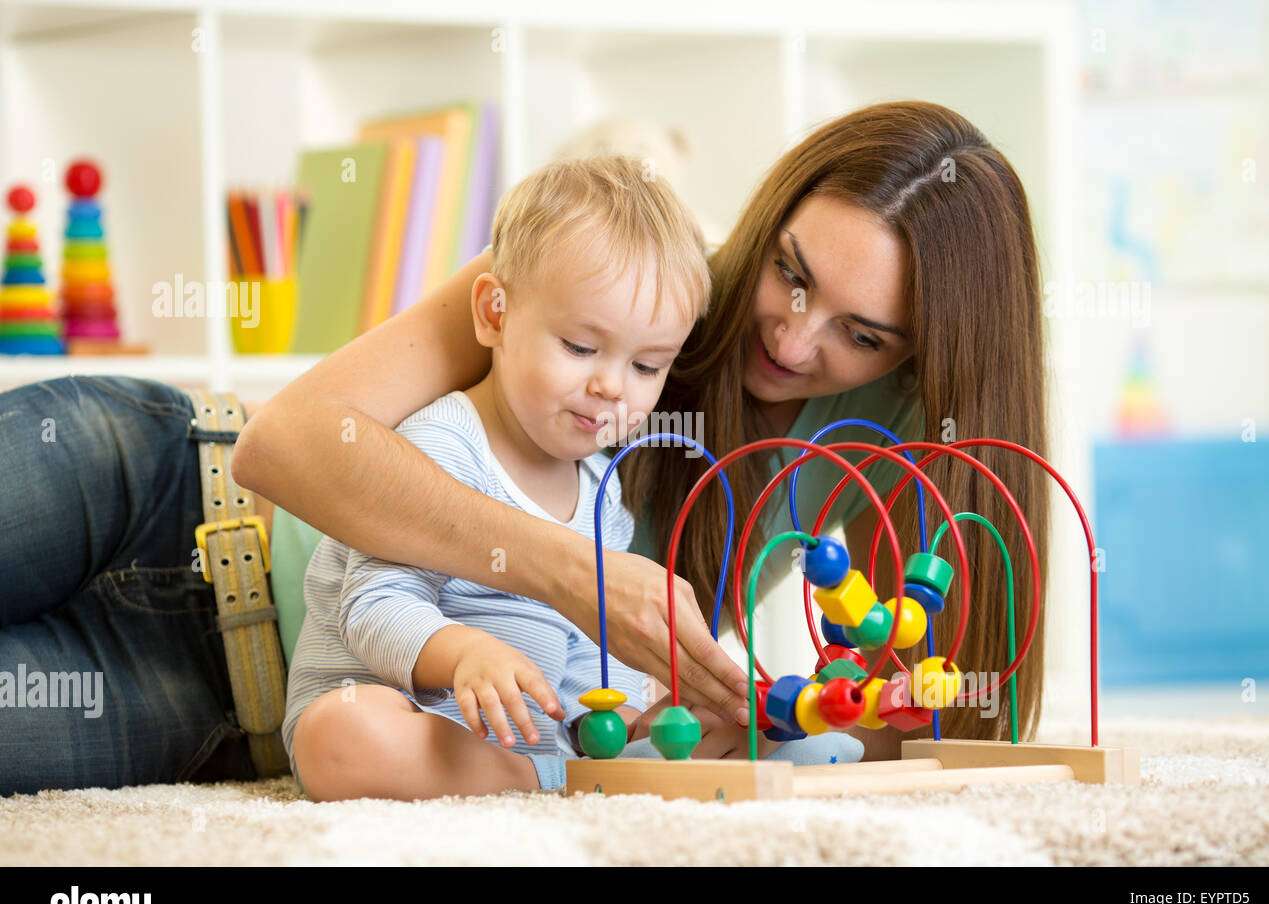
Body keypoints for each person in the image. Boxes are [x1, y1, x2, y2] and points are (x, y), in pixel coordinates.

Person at [0, 101, 1047, 796]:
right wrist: (576, 576)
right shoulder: (611, 274)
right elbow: (287, 445)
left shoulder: (900, 445)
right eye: (791, 273)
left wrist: (764, 722)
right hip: (163, 484)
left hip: (232, 708)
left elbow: (912, 721)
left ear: (922, 360)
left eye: (862, 335)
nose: (792, 335)